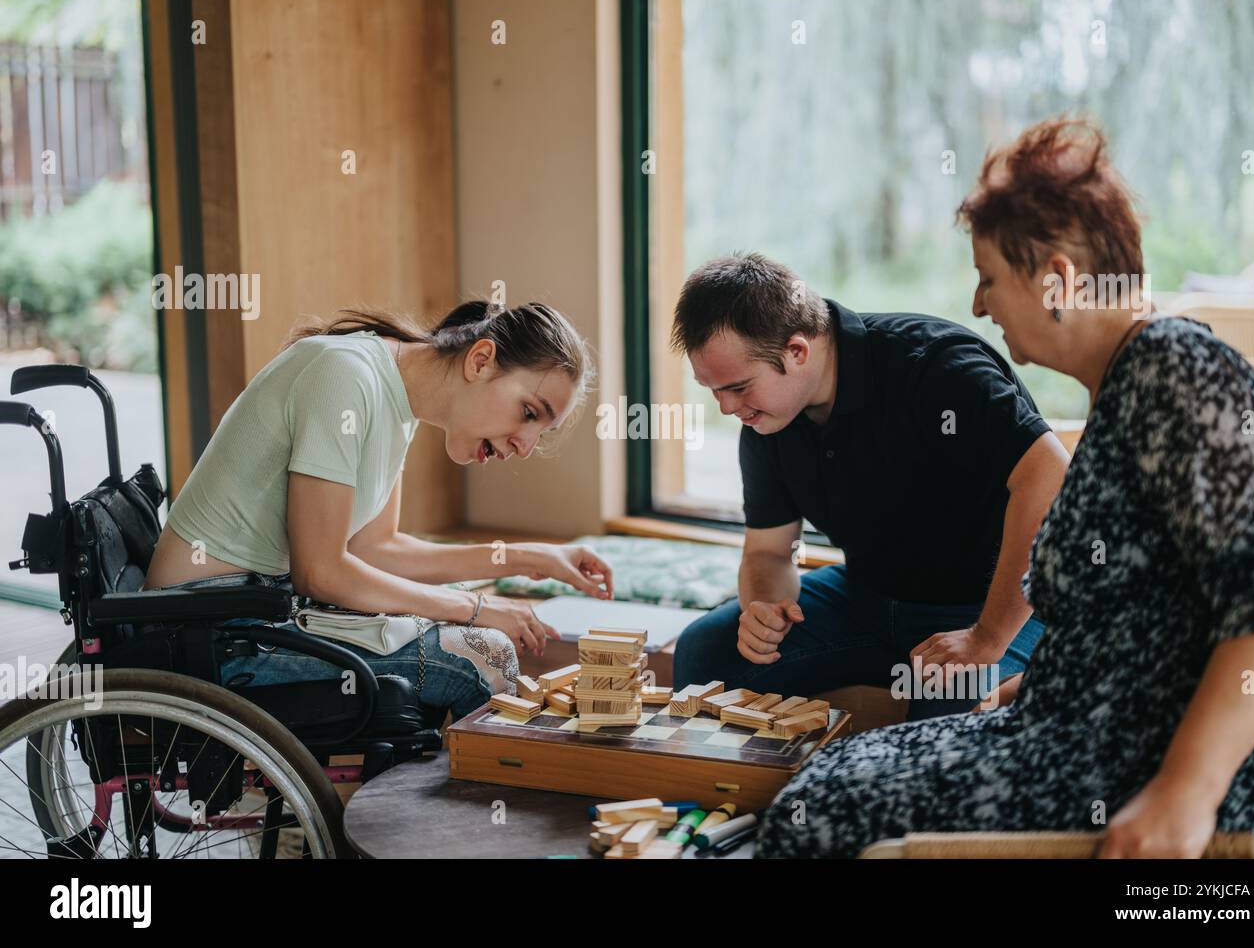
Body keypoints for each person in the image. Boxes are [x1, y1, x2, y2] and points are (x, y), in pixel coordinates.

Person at [758, 118, 1254, 858]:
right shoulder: (1123, 390)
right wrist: (1041, 683)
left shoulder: (1180, 370)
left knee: (815, 818)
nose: (979, 306)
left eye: (988, 279)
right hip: (1081, 732)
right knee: (828, 773)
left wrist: (1183, 799)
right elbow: (1148, 615)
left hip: (1155, 771)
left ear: (1059, 280)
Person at [143, 301, 614, 721]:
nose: (526, 446)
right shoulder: (345, 377)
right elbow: (322, 572)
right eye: (530, 413)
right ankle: (444, 812)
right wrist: (476, 607)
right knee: (483, 655)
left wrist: (535, 557)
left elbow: (376, 548)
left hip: (257, 611)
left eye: (541, 432)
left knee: (466, 633)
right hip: (204, 630)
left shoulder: (394, 395)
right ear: (480, 359)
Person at [670, 252, 1069, 719]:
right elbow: (768, 552)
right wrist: (763, 609)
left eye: (738, 387)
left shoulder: (936, 367)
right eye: (712, 390)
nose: (726, 408)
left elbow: (1050, 475)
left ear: (797, 351)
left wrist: (987, 637)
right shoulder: (766, 421)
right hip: (868, 596)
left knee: (947, 721)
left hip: (993, 603)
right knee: (703, 652)